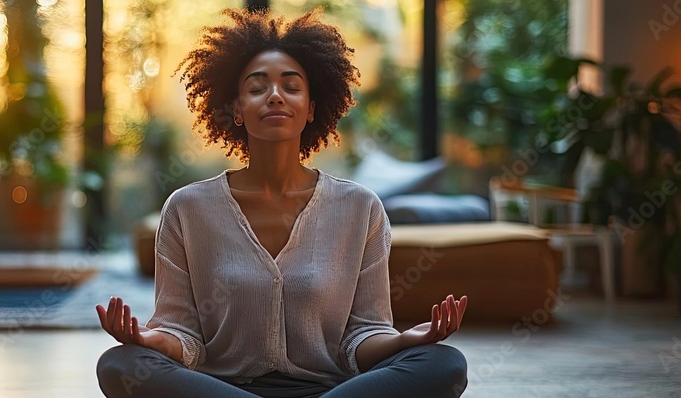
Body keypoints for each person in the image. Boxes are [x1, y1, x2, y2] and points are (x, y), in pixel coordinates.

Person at [95, 8, 468, 398]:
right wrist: (150, 340)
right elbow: (182, 334)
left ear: (310, 107)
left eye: (291, 86)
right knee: (121, 364)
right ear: (237, 109)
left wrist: (406, 340)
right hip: (222, 389)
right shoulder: (187, 209)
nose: (275, 95)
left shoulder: (360, 208)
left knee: (444, 363)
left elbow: (362, 337)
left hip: (327, 390)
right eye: (258, 88)